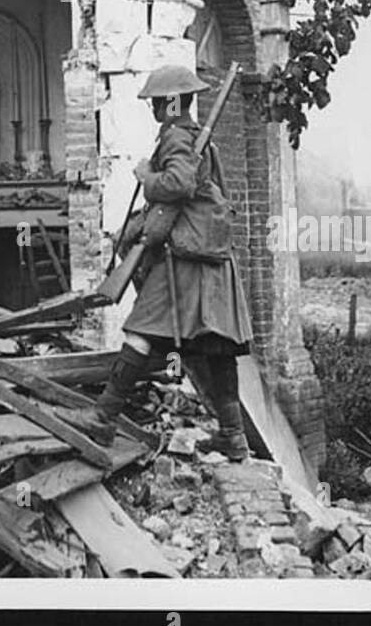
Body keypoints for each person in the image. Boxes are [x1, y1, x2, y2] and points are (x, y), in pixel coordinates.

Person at [65, 64, 254, 459]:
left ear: (171, 102)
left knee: (140, 328)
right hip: (206, 257)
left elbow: (178, 185)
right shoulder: (192, 138)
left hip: (184, 260)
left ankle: (102, 417)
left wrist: (145, 174)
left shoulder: (176, 138)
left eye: (156, 102)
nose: (152, 108)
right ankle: (233, 436)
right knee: (215, 345)